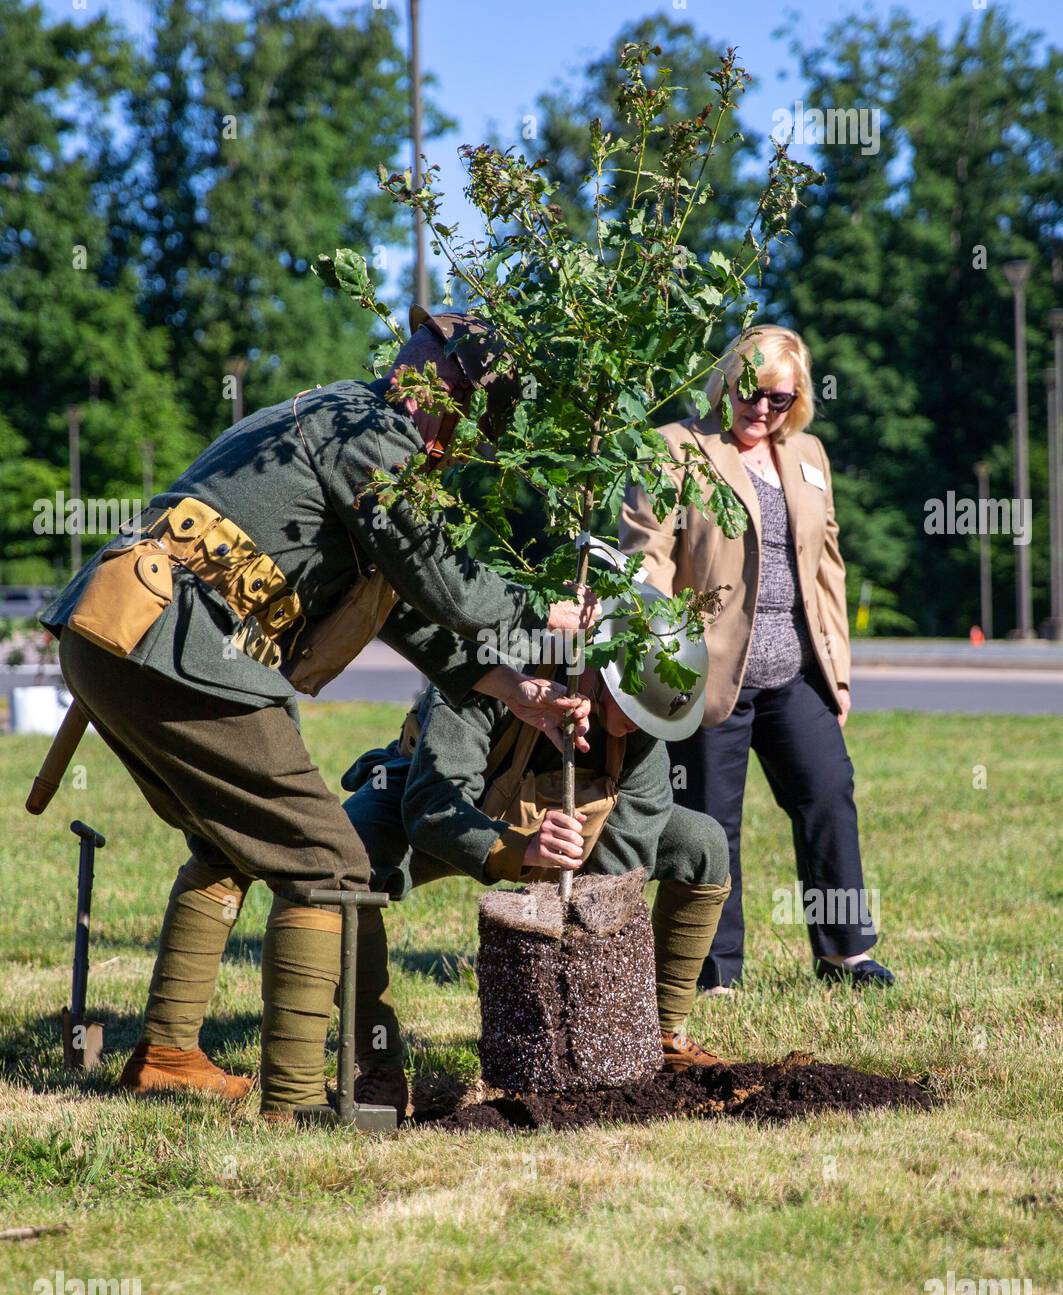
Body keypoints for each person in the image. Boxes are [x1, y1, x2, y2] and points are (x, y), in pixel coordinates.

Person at [40, 306, 596, 1119]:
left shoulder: (342, 418)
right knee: (330, 865)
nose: (436, 404)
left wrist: (516, 690)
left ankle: (166, 1054)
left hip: (125, 635)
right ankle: (298, 1103)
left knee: (230, 843)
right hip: (173, 644)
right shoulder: (366, 428)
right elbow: (441, 579)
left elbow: (401, 605)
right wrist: (539, 605)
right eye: (438, 378)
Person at [342, 584, 732, 1115]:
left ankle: (658, 1037)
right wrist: (518, 850)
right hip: (456, 814)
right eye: (631, 708)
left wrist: (583, 952)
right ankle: (379, 1065)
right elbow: (433, 805)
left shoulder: (642, 718)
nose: (639, 728)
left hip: (575, 847)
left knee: (702, 841)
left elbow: (630, 850)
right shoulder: (494, 670)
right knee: (349, 853)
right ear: (597, 662)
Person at [621, 324, 892, 991]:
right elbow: (646, 556)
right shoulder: (676, 449)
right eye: (749, 392)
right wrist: (658, 651)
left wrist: (838, 673)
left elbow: (825, 566)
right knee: (713, 824)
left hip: (793, 672)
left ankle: (844, 956)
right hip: (706, 673)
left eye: (777, 398)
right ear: (726, 383)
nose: (760, 409)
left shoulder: (807, 453)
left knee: (827, 793)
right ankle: (712, 974)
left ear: (796, 398)